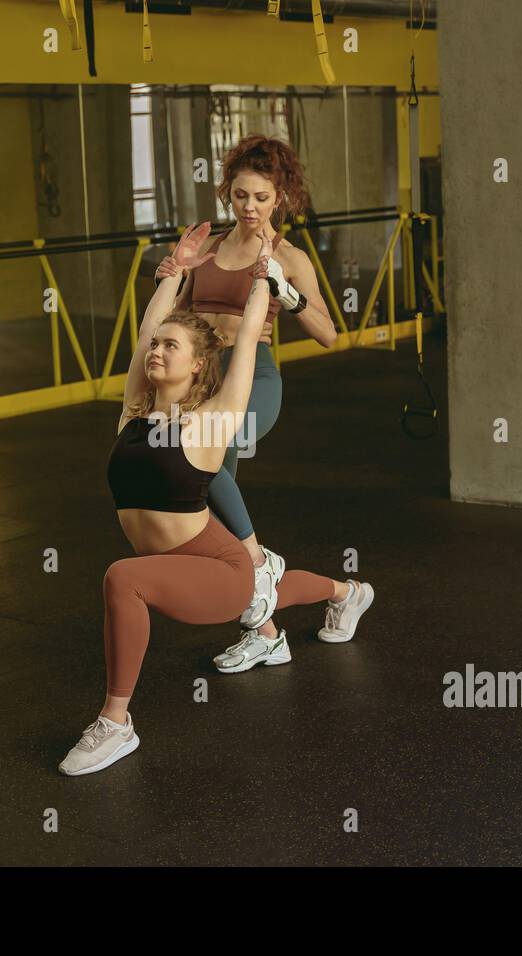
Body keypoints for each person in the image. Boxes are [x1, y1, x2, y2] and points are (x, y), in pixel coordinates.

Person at [59, 223, 375, 776]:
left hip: (215, 567)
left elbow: (250, 336)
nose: (157, 350)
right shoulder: (135, 413)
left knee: (123, 577)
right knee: (267, 597)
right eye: (157, 345)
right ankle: (346, 591)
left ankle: (116, 724)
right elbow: (145, 331)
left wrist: (263, 279)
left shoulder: (210, 424)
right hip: (190, 558)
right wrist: (175, 273)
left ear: (197, 365)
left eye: (170, 347)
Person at [154, 134, 340, 675]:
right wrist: (169, 279)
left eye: (261, 197)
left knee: (204, 468)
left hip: (252, 378)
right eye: (240, 196)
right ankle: (316, 604)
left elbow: (328, 333)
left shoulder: (288, 257)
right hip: (201, 380)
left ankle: (259, 563)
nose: (250, 207)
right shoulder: (207, 249)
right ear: (228, 195)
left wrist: (289, 294)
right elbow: (179, 318)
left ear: (279, 196)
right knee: (204, 499)